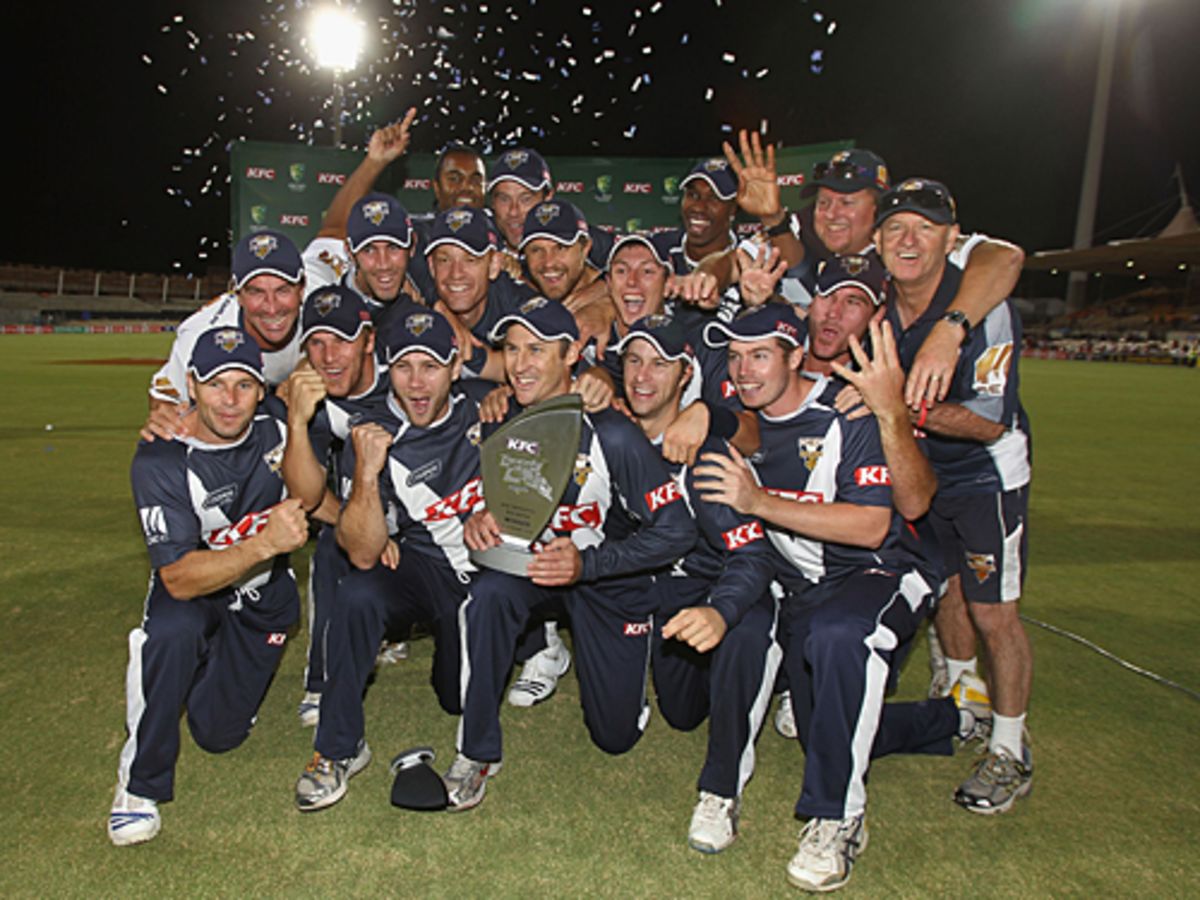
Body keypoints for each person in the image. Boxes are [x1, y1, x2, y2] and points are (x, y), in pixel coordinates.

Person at [695, 305, 973, 892]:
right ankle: (719, 792)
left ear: (797, 355)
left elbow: (874, 526)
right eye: (736, 355)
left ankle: (835, 817)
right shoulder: (740, 415)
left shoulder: (847, 409)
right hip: (795, 581)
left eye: (761, 354)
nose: (745, 369)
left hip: (875, 570)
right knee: (745, 631)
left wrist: (759, 502)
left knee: (841, 640)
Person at [444, 298, 696, 810]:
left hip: (603, 576)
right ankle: (475, 751)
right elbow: (483, 501)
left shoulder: (612, 430)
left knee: (614, 738)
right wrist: (477, 520)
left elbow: (677, 531)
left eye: (537, 349)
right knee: (486, 595)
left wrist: (591, 565)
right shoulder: (495, 416)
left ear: (572, 353)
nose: (520, 363)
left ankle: (625, 670)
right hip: (529, 568)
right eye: (512, 349)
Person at [108, 327, 309, 846]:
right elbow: (176, 578)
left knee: (219, 736)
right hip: (194, 593)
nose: (230, 399)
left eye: (244, 384)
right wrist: (263, 545)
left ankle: (205, 665)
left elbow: (316, 490)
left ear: (262, 390)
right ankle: (137, 783)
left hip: (260, 599)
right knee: (172, 631)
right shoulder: (161, 457)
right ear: (191, 385)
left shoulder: (275, 425)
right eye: (217, 384)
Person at [876, 178, 1034, 815]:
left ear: (951, 237)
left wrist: (901, 402)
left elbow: (989, 420)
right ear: (877, 241)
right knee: (944, 590)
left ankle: (1010, 747)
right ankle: (964, 702)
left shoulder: (982, 304)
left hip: (983, 475)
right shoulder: (879, 298)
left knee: (994, 611)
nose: (908, 240)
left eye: (924, 228)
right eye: (895, 229)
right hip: (917, 470)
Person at [294, 308, 485, 810]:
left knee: (457, 698)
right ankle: (337, 749)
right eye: (403, 367)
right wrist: (365, 475)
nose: (417, 383)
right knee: (357, 591)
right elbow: (359, 551)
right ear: (386, 369)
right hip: (426, 572)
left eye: (431, 366)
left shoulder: (491, 409)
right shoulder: (372, 432)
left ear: (455, 367)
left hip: (488, 583)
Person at [613, 315, 779, 855]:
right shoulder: (610, 437)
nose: (642, 376)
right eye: (633, 360)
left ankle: (720, 789)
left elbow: (752, 560)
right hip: (662, 596)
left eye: (659, 364)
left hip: (718, 588)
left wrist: (720, 612)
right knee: (682, 715)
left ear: (686, 376)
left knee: (745, 632)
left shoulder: (705, 455)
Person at [279, 285, 391, 727]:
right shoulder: (310, 399)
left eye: (342, 339)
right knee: (331, 548)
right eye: (317, 342)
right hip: (359, 513)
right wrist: (297, 422)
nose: (329, 356)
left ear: (368, 339)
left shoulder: (404, 373)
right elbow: (304, 497)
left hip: (427, 514)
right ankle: (321, 679)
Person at [144, 231, 306, 439]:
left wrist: (307, 367)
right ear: (237, 294)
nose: (272, 308)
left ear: (302, 289)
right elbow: (164, 397)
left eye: (283, 290)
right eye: (256, 292)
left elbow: (332, 231)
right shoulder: (201, 336)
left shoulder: (320, 300)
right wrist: (165, 415)